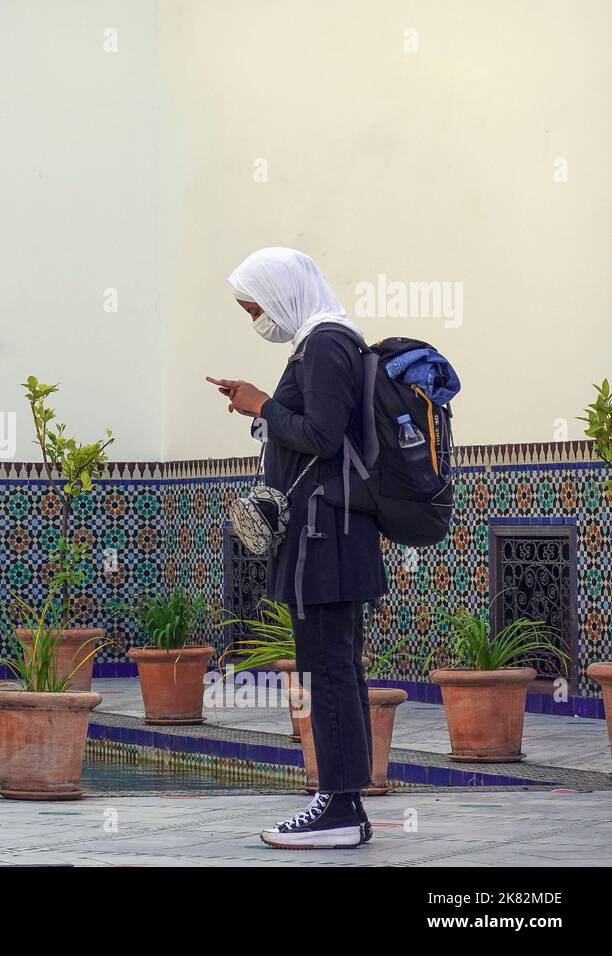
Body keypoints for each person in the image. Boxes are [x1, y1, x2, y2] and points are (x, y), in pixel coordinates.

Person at [206, 247, 387, 849]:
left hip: (325, 538)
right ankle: (343, 803)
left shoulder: (327, 343)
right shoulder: (323, 342)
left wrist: (263, 404)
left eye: (254, 305)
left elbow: (324, 436)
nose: (255, 317)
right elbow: (310, 437)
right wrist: (262, 412)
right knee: (332, 668)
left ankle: (337, 808)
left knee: (329, 669)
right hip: (323, 535)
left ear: (283, 291)